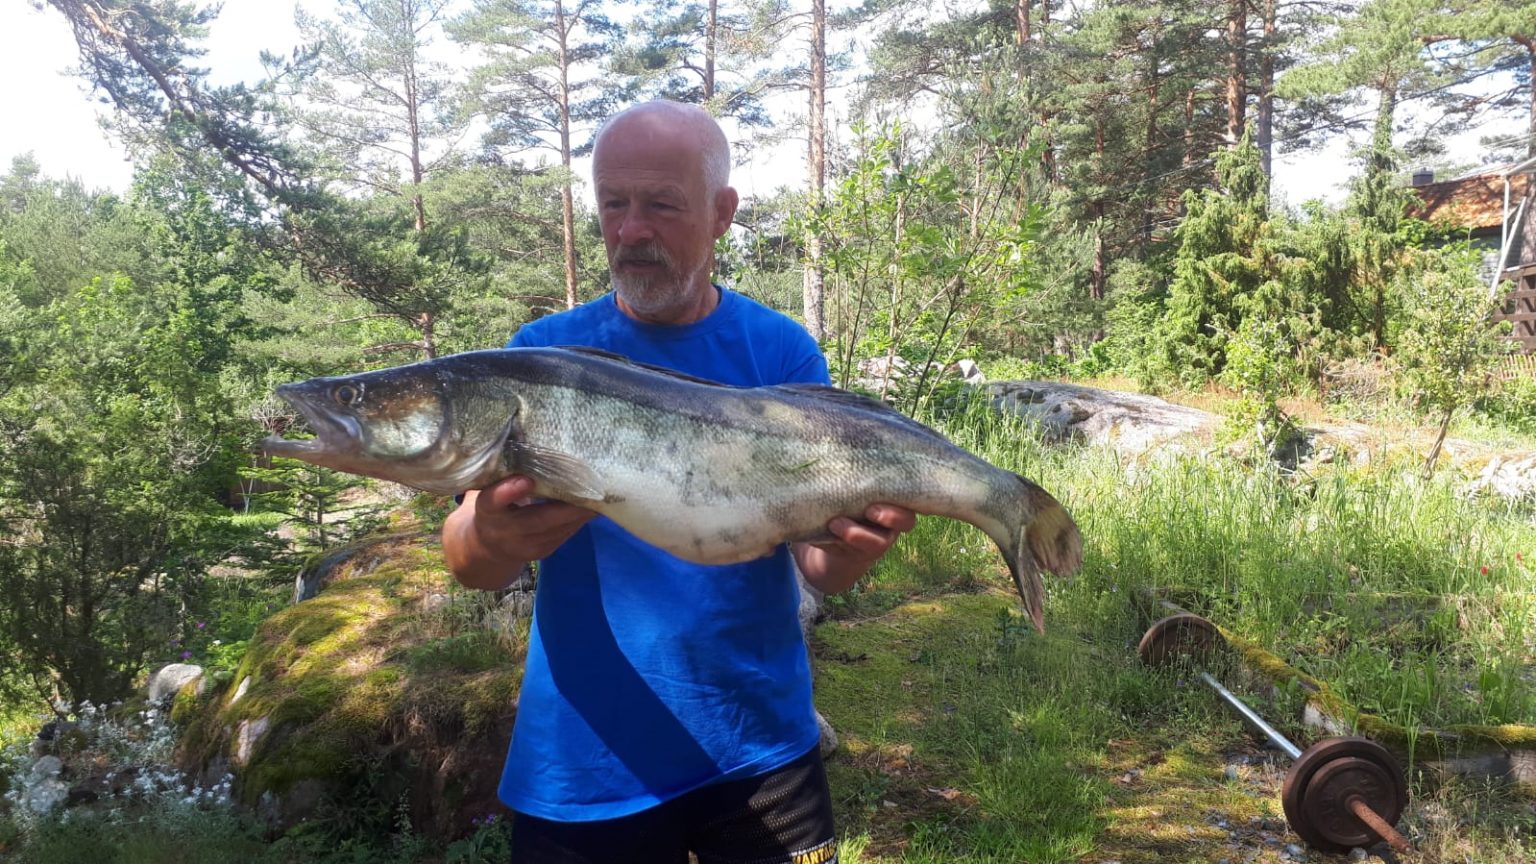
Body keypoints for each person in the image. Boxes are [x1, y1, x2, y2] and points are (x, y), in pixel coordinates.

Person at [442, 100, 916, 864]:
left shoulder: (781, 354)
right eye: (613, 205)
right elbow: (470, 563)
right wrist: (492, 535)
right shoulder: (542, 356)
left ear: (722, 213)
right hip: (586, 761)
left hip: (759, 748)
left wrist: (854, 549)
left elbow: (819, 567)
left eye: (661, 205)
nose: (631, 230)